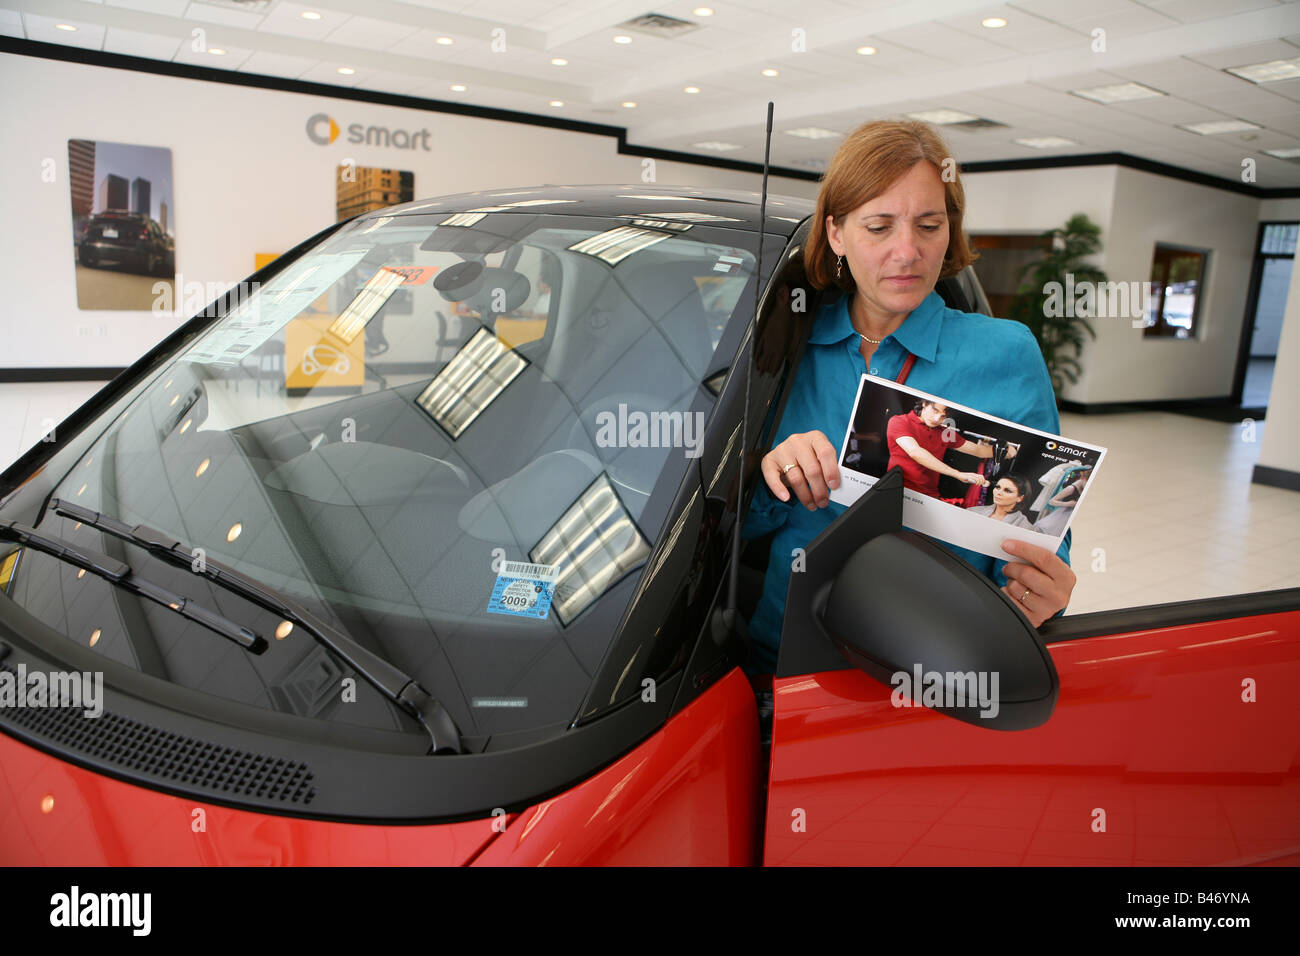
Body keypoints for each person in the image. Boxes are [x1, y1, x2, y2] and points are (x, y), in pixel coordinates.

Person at [742, 120, 1076, 674]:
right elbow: (732, 527)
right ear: (835, 235)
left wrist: (1043, 584)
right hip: (786, 657)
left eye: (929, 225)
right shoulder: (784, 345)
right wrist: (774, 477)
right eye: (878, 227)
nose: (908, 251)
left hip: (936, 660)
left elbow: (1037, 523)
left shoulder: (1005, 353)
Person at [886, 399, 991, 498]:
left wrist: (1007, 451)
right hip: (898, 490)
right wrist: (957, 474)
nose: (936, 419)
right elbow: (916, 452)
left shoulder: (944, 433)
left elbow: (979, 450)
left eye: (943, 416)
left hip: (930, 495)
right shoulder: (900, 421)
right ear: (924, 403)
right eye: (935, 411)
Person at [1033, 468, 1090, 537]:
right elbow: (1051, 501)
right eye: (1087, 484)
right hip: (1061, 518)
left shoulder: (1083, 487)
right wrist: (1068, 504)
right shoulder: (1071, 488)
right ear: (1084, 479)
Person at [967, 475, 1036, 529]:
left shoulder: (1026, 528)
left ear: (1020, 498)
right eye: (998, 487)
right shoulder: (972, 511)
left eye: (1007, 491)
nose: (999, 493)